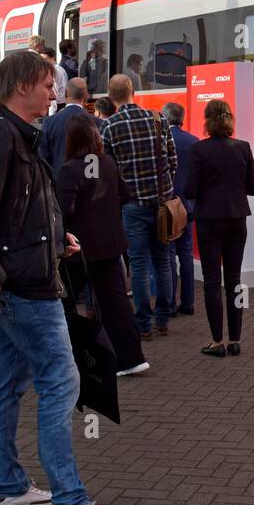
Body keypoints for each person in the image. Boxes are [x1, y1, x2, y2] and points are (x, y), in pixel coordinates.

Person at [0, 49, 128, 505]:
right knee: (61, 382)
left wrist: (53, 236)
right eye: (48, 84)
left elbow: (13, 208)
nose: (54, 92)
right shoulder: (0, 135)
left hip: (27, 279)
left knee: (5, 385)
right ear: (22, 85)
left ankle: (7, 489)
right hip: (27, 290)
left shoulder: (14, 135)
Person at [56, 113, 149, 378]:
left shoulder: (70, 169)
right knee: (116, 302)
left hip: (78, 250)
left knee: (66, 302)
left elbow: (64, 211)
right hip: (110, 244)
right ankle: (131, 357)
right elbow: (126, 195)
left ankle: (72, 358)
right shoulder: (107, 162)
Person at [183, 98, 254, 358]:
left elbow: (190, 190)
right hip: (237, 219)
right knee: (235, 280)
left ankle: (217, 341)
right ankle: (236, 338)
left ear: (207, 120)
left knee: (212, 281)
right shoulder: (243, 148)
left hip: (209, 221)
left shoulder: (199, 150)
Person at [102, 74, 175, 340]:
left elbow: (106, 172)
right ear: (134, 91)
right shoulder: (158, 119)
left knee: (140, 265)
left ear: (111, 97)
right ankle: (164, 320)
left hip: (132, 206)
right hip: (161, 202)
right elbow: (172, 158)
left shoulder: (108, 127)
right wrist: (165, 188)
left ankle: (143, 324)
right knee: (164, 261)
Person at [162, 102, 199, 317]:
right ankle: (188, 303)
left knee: (168, 255)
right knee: (186, 254)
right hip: (188, 206)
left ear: (165, 119)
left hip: (168, 206)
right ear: (182, 119)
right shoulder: (194, 142)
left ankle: (169, 303)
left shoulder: (161, 141)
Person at [38, 78, 91, 173]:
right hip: (90, 181)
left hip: (59, 181)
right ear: (86, 96)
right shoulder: (97, 123)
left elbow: (43, 157)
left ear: (66, 93)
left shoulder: (49, 122)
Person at [32, 35, 67, 113]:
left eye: (45, 59)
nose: (44, 62)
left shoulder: (57, 70)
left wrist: (51, 113)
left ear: (53, 57)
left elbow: (57, 91)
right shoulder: (53, 70)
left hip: (57, 106)